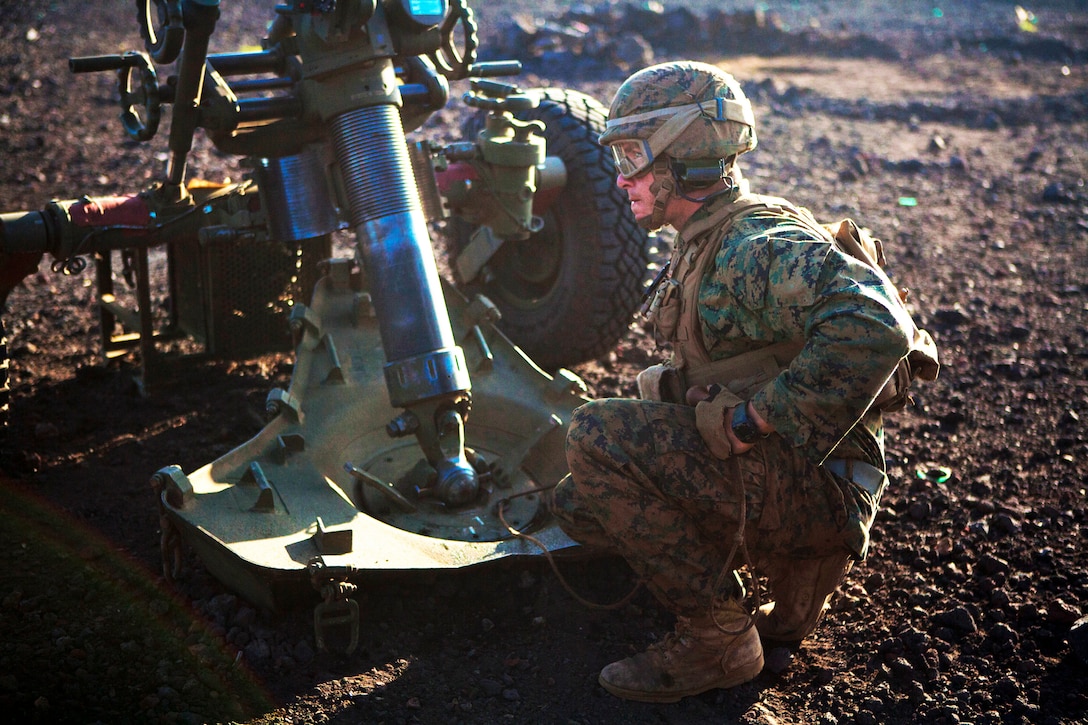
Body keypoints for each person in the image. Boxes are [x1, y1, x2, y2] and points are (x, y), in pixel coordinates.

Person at [551, 60, 936, 703]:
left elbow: (877, 323)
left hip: (819, 489)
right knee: (580, 503)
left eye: (633, 157)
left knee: (599, 438)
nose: (621, 179)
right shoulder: (707, 234)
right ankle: (769, 578)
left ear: (685, 156)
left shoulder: (751, 244)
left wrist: (752, 420)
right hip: (799, 475)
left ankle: (720, 638)